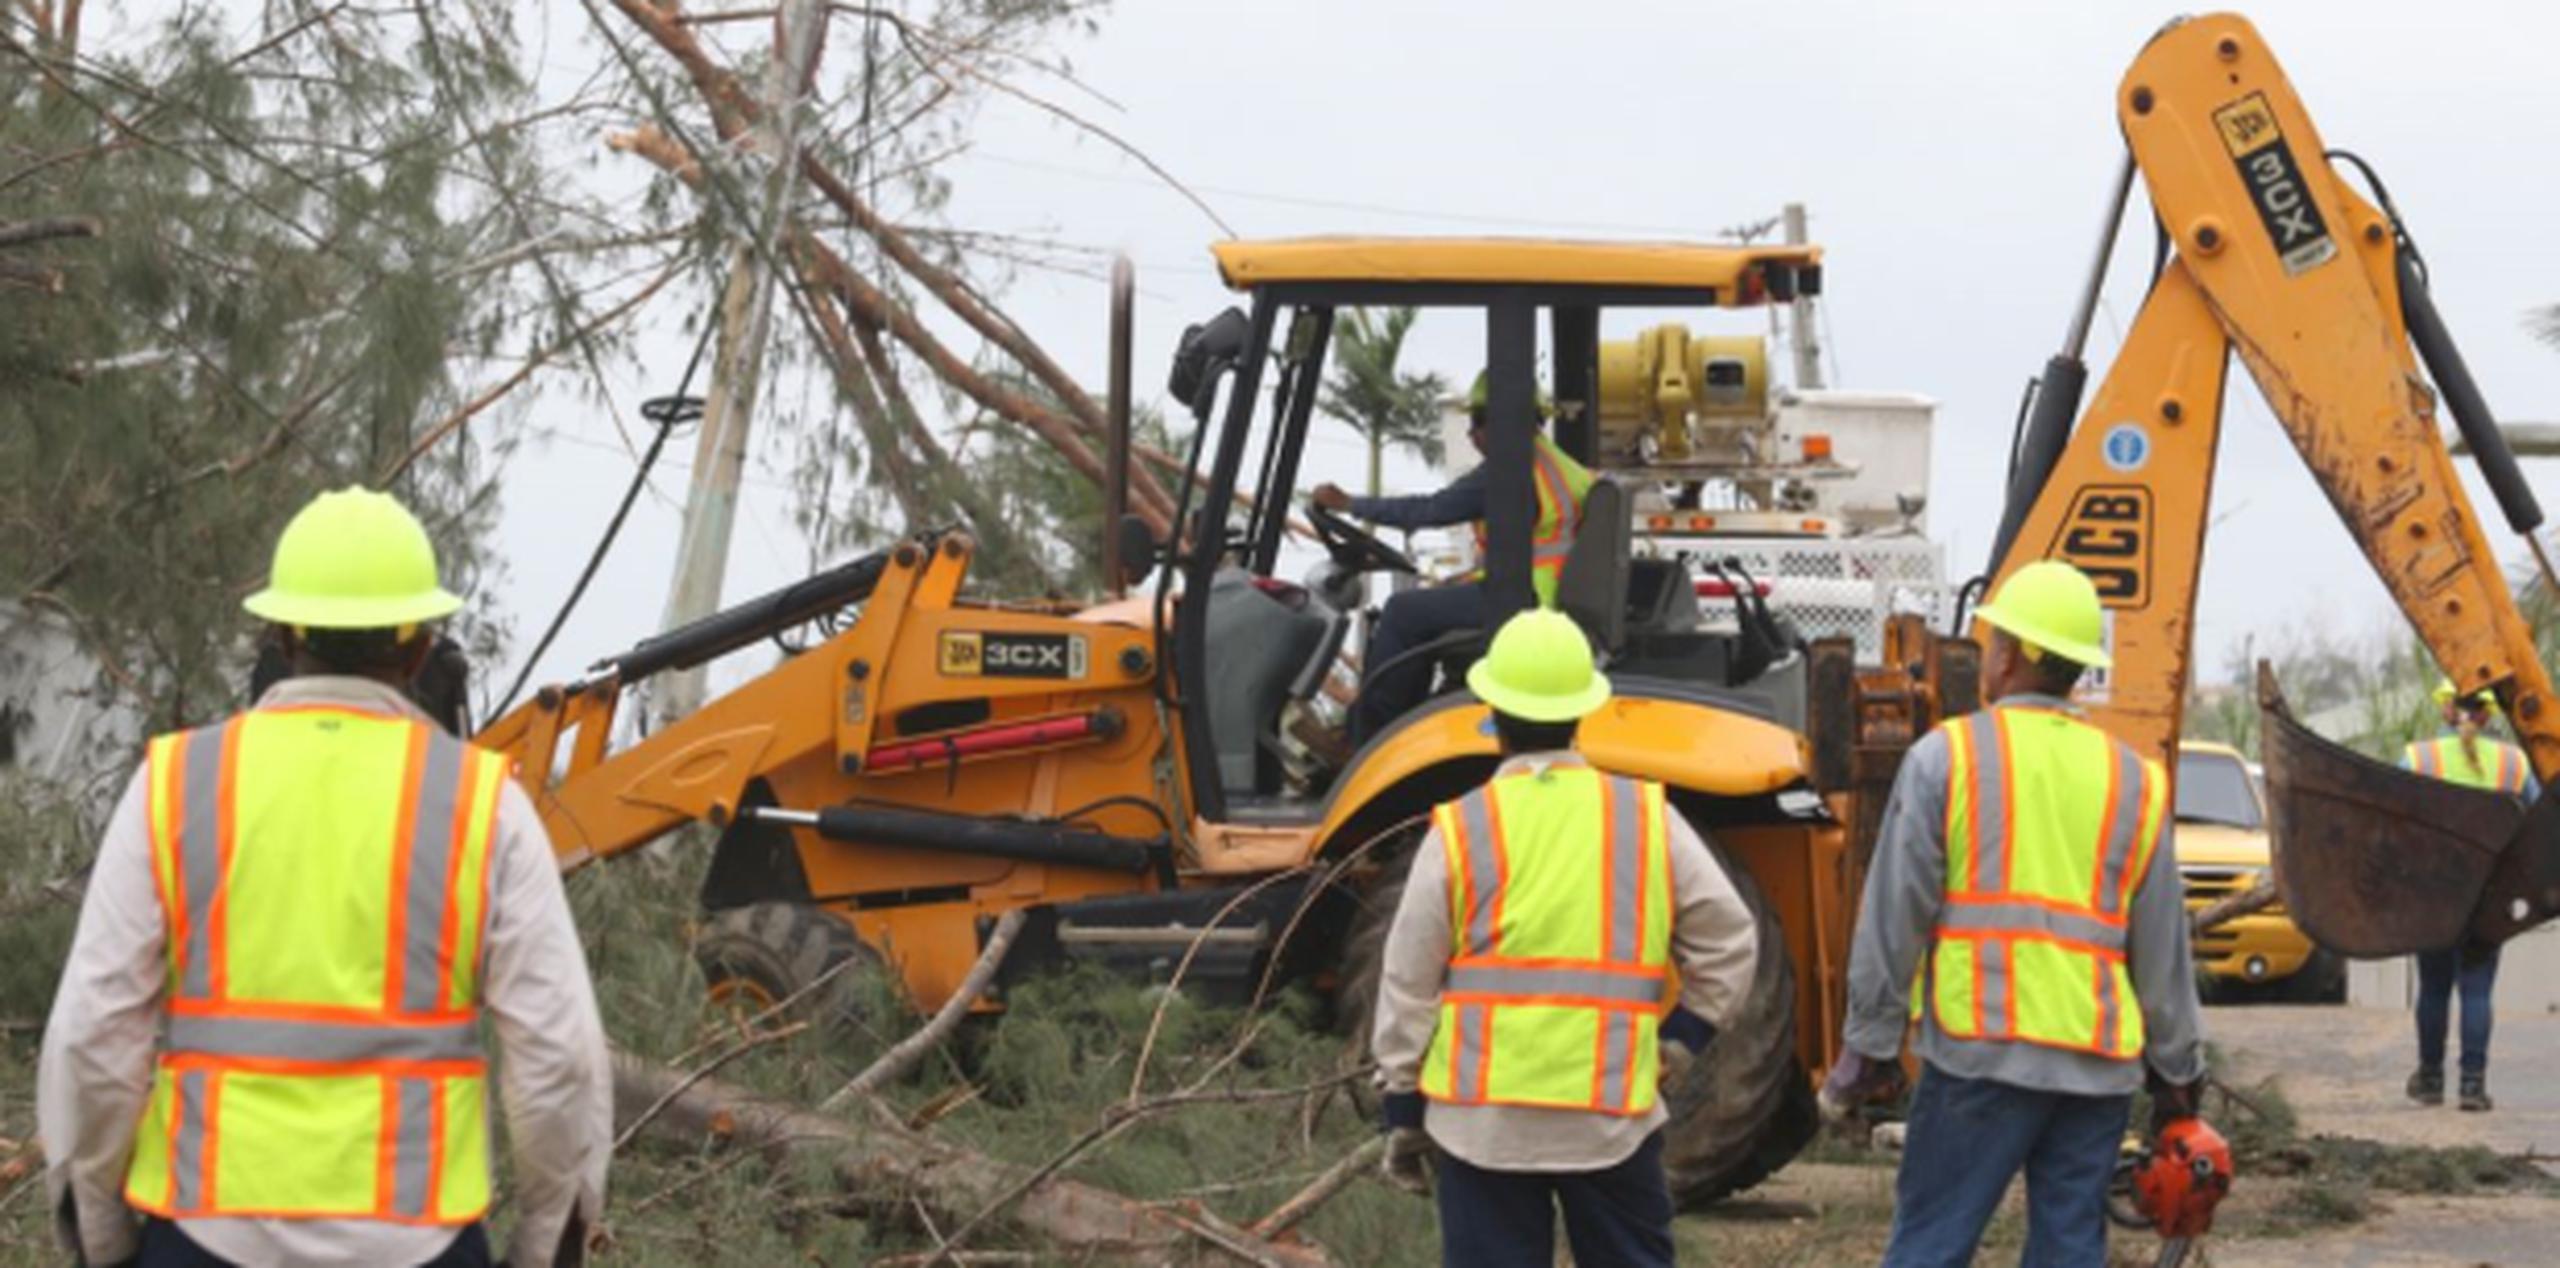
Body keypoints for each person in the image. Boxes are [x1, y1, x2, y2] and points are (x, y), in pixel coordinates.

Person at [39, 488, 611, 1268]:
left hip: (203, 1233)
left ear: (280, 635)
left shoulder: (176, 785)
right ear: (422, 649)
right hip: (421, 1242)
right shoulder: (486, 807)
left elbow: (95, 1033)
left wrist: (101, 1231)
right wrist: (544, 1243)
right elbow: (559, 1057)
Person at [1822, 561, 2207, 1268]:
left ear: (2009, 657)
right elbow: (2162, 948)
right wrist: (2177, 1070)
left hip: (1980, 1052)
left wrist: (1869, 1043)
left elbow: (1894, 914)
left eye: (1994, 640)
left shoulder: (1947, 758)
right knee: (2069, 1249)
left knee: (1931, 1246)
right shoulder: (2134, 780)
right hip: (2095, 1065)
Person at [1368, 608, 1759, 1268]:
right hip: (1609, 1116)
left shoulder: (1462, 829)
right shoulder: (1646, 818)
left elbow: (1408, 979)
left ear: (1493, 712)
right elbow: (1730, 940)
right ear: (1584, 711)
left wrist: (1403, 1107)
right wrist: (1684, 1037)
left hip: (1482, 1125)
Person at [1314, 372, 1593, 744]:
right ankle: (1401, 729)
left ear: (1502, 421)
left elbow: (1430, 510)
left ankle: (1366, 740)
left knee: (1402, 612)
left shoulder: (1508, 471)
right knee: (1424, 608)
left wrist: (1350, 504)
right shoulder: (1553, 463)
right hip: (1538, 589)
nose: (1471, 434)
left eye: (1476, 421)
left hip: (1522, 599)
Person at [2401, 679, 2538, 1113]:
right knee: (2477, 992)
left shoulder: (2418, 758)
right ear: (2488, 712)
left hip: (2432, 894)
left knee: (2434, 987)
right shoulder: (2514, 764)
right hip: (2486, 896)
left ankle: (2430, 1080)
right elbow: (2535, 824)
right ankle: (2472, 1087)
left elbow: (2395, 821)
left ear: (2447, 709)